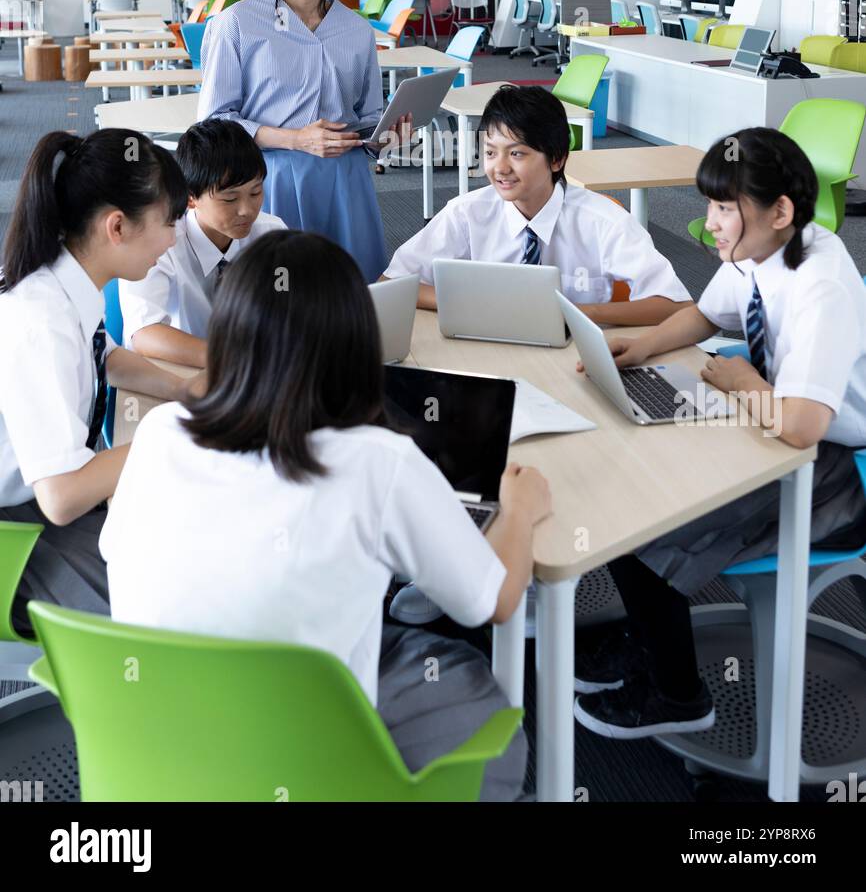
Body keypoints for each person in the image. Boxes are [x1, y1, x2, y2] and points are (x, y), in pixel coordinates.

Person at [100, 229, 551, 801]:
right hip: (300, 756)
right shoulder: (377, 461)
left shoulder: (160, 432)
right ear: (353, 342)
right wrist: (520, 510)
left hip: (160, 754)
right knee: (457, 667)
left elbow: (115, 551)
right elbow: (495, 601)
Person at [572, 127, 866, 740]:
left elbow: (804, 425)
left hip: (836, 464)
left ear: (780, 212)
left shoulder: (821, 283)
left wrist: (742, 382)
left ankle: (678, 693)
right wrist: (640, 347)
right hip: (777, 420)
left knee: (646, 522)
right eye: (708, 205)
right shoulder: (761, 252)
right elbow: (706, 316)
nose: (709, 224)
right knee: (632, 483)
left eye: (725, 209)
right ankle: (649, 638)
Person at [0, 129, 195, 632]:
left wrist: (187, 390)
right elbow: (63, 496)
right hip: (16, 529)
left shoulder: (63, 278)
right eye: (168, 222)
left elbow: (104, 356)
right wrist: (176, 435)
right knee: (168, 608)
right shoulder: (41, 322)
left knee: (173, 543)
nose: (173, 239)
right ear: (117, 226)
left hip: (36, 501)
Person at [197, 0, 405, 283]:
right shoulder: (237, 23)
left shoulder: (356, 29)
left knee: (353, 290)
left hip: (346, 179)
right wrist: (296, 139)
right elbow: (215, 123)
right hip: (271, 176)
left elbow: (368, 116)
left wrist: (386, 136)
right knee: (282, 293)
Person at [384, 83, 691, 325]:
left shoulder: (604, 222)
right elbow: (390, 283)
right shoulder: (467, 213)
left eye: (517, 154)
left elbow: (676, 305)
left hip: (575, 357)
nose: (500, 168)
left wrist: (577, 313)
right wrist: (472, 302)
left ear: (556, 159)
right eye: (490, 153)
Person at [119, 118, 285, 369]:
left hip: (258, 371)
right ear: (190, 198)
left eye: (255, 192)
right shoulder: (159, 243)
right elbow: (144, 332)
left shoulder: (271, 234)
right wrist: (232, 360)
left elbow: (292, 307)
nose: (247, 210)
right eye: (229, 199)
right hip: (180, 370)